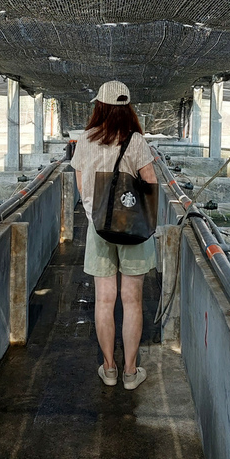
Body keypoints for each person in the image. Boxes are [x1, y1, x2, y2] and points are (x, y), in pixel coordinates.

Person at [71, 80, 157, 391]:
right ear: (128, 108)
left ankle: (109, 368)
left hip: (99, 228)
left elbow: (82, 188)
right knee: (132, 300)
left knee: (104, 300)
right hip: (133, 227)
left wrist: (98, 212)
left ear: (100, 106)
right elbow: (150, 183)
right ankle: (131, 372)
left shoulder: (85, 141)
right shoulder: (136, 142)